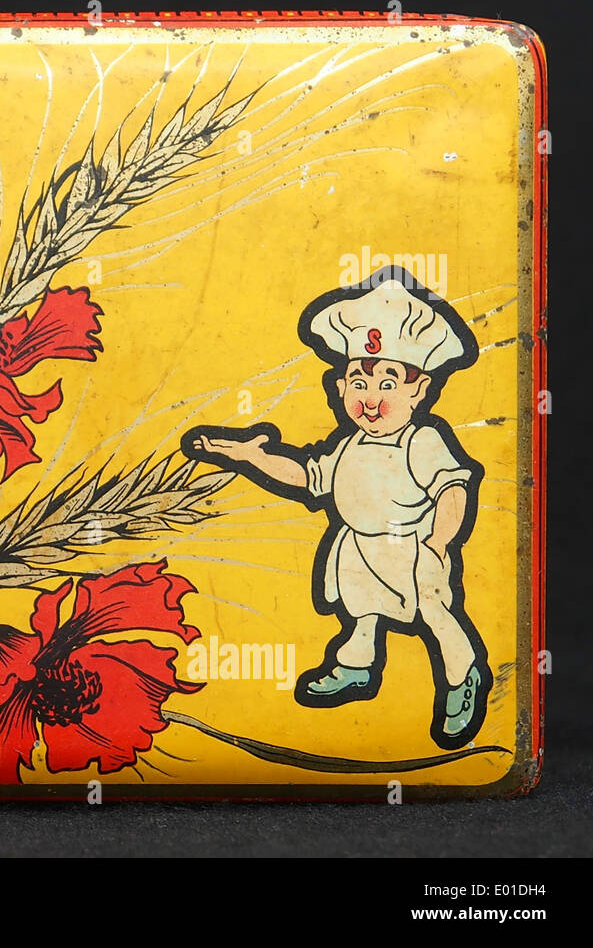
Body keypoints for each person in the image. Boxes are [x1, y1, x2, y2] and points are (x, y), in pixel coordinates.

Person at [185, 266, 489, 749]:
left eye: (388, 384)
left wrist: (438, 543)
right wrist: (248, 455)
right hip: (358, 549)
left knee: (436, 616)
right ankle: (355, 668)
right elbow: (307, 476)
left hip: (413, 548)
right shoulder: (347, 446)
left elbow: (453, 491)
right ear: (342, 389)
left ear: (419, 391)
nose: (370, 399)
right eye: (358, 383)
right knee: (361, 611)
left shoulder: (423, 439)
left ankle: (462, 678)